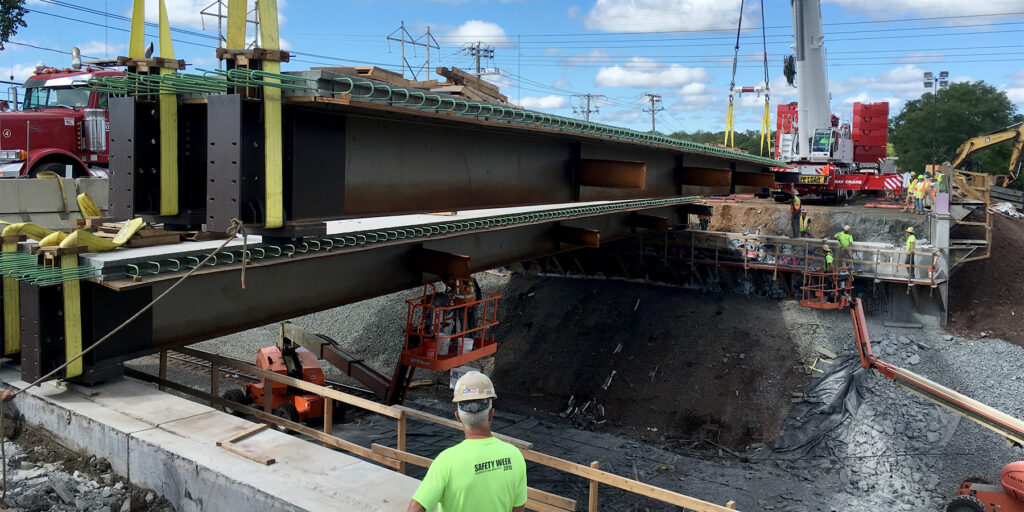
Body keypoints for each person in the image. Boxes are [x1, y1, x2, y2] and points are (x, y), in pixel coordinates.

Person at [408, 371, 527, 512]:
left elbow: (415, 509)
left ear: (458, 417)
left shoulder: (446, 461)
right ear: (491, 414)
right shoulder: (515, 456)